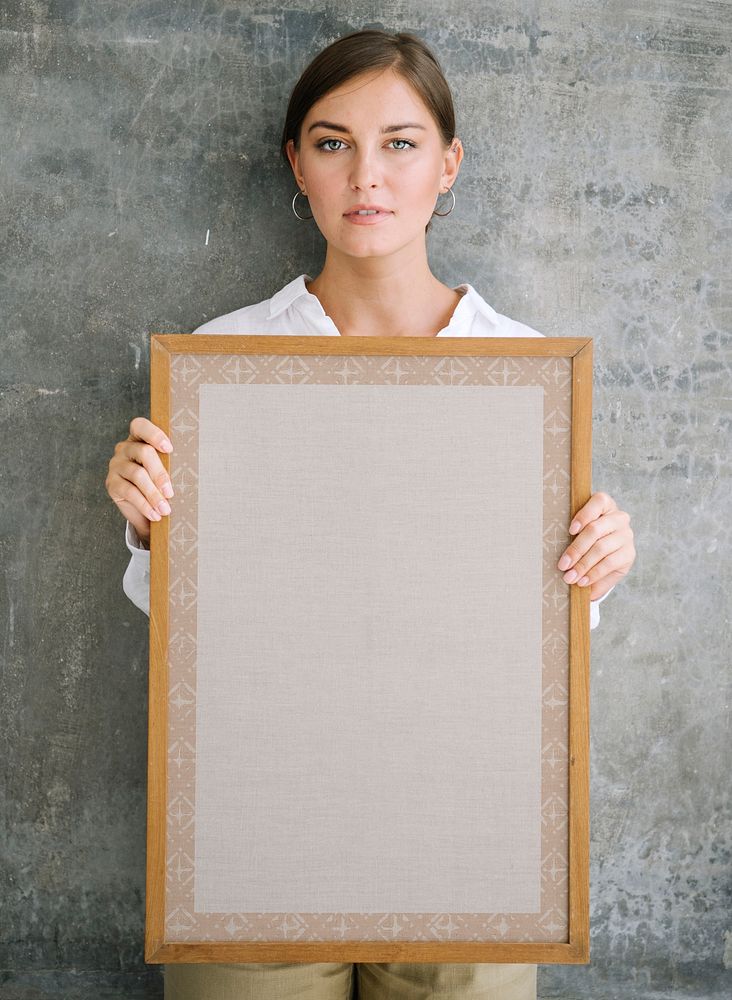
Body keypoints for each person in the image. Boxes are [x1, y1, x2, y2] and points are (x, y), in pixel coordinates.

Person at [105, 28, 635, 1000]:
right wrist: (148, 521)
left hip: (467, 834)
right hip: (259, 831)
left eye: (399, 142)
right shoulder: (224, 357)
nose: (366, 176)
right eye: (332, 142)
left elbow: (532, 640)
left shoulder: (527, 370)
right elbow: (189, 630)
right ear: (296, 165)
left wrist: (596, 564)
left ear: (449, 165)